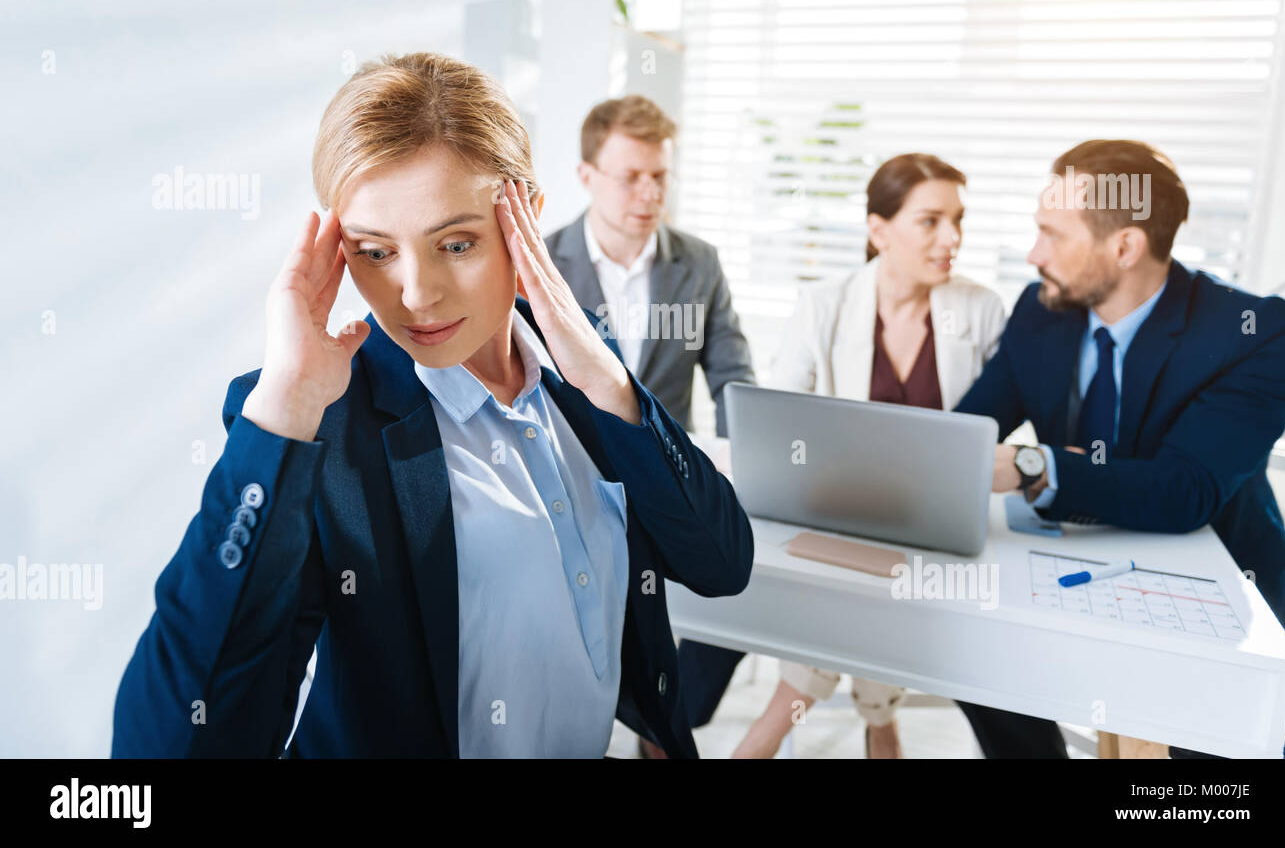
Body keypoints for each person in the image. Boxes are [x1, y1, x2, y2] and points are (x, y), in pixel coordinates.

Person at [110, 52, 754, 758]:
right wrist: (286, 408)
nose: (416, 294)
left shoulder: (582, 378)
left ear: (526, 219)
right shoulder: (323, 424)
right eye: (376, 252)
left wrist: (608, 382)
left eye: (455, 242)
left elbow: (722, 564)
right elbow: (173, 744)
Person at [956, 138, 1285, 758]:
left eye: (1053, 234)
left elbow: (1183, 492)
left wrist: (1033, 465)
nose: (1034, 254)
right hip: (1083, 575)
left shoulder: (1254, 334)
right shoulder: (1043, 311)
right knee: (972, 655)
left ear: (1124, 246)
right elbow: (969, 433)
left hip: (1221, 607)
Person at [732, 154, 1007, 758]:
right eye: (931, 221)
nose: (952, 238)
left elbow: (998, 437)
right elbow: (779, 425)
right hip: (833, 519)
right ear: (878, 230)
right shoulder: (824, 307)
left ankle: (779, 726)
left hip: (935, 531)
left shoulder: (982, 312)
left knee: (862, 600)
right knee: (852, 589)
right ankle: (879, 718)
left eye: (958, 220)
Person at [545, 94, 758, 757]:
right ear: (586, 175)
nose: (649, 192)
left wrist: (750, 452)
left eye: (660, 175)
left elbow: (733, 374)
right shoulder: (541, 266)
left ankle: (659, 728)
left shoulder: (698, 262)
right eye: (630, 176)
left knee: (730, 595)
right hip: (570, 490)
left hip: (663, 483)